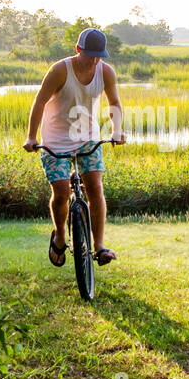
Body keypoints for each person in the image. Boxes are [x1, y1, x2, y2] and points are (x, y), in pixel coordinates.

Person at [23, 27, 126, 267]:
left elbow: (114, 103)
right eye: (90, 54)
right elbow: (39, 101)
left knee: (95, 187)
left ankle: (99, 246)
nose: (95, 59)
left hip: (88, 136)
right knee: (60, 193)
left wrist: (117, 130)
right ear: (78, 49)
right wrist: (31, 136)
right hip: (56, 139)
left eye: (99, 54)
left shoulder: (106, 72)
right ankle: (60, 235)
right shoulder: (60, 70)